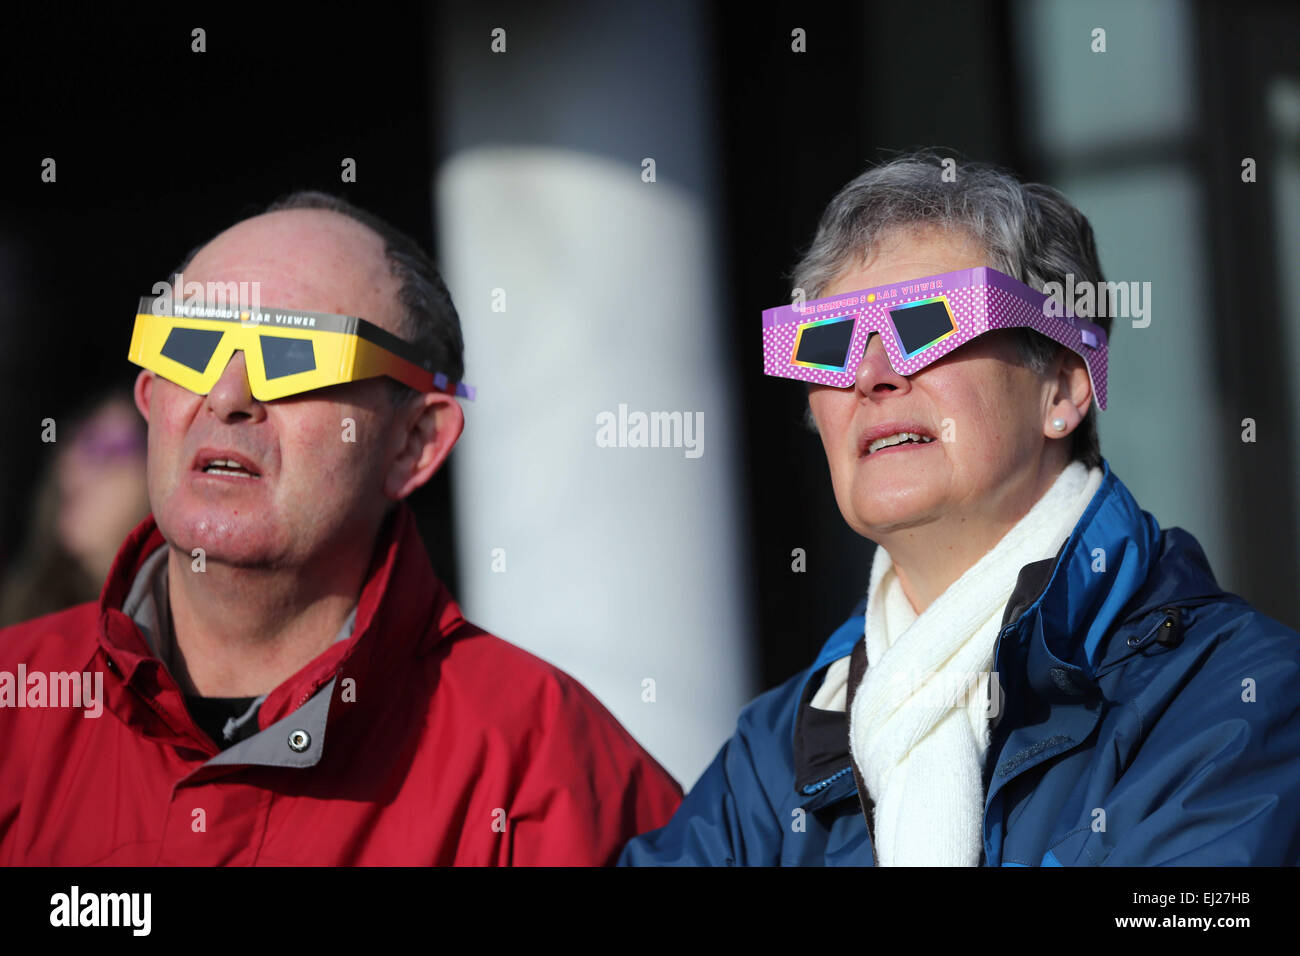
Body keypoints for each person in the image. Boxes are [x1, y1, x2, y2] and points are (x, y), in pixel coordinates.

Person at [620, 151, 1300, 866]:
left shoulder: (1236, 701)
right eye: (826, 343)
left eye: (927, 323)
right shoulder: (770, 759)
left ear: (1063, 388)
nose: (872, 376)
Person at [0, 191, 681, 865]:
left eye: (295, 355)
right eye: (192, 343)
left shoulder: (546, 772)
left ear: (414, 442)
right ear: (150, 395)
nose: (228, 396)